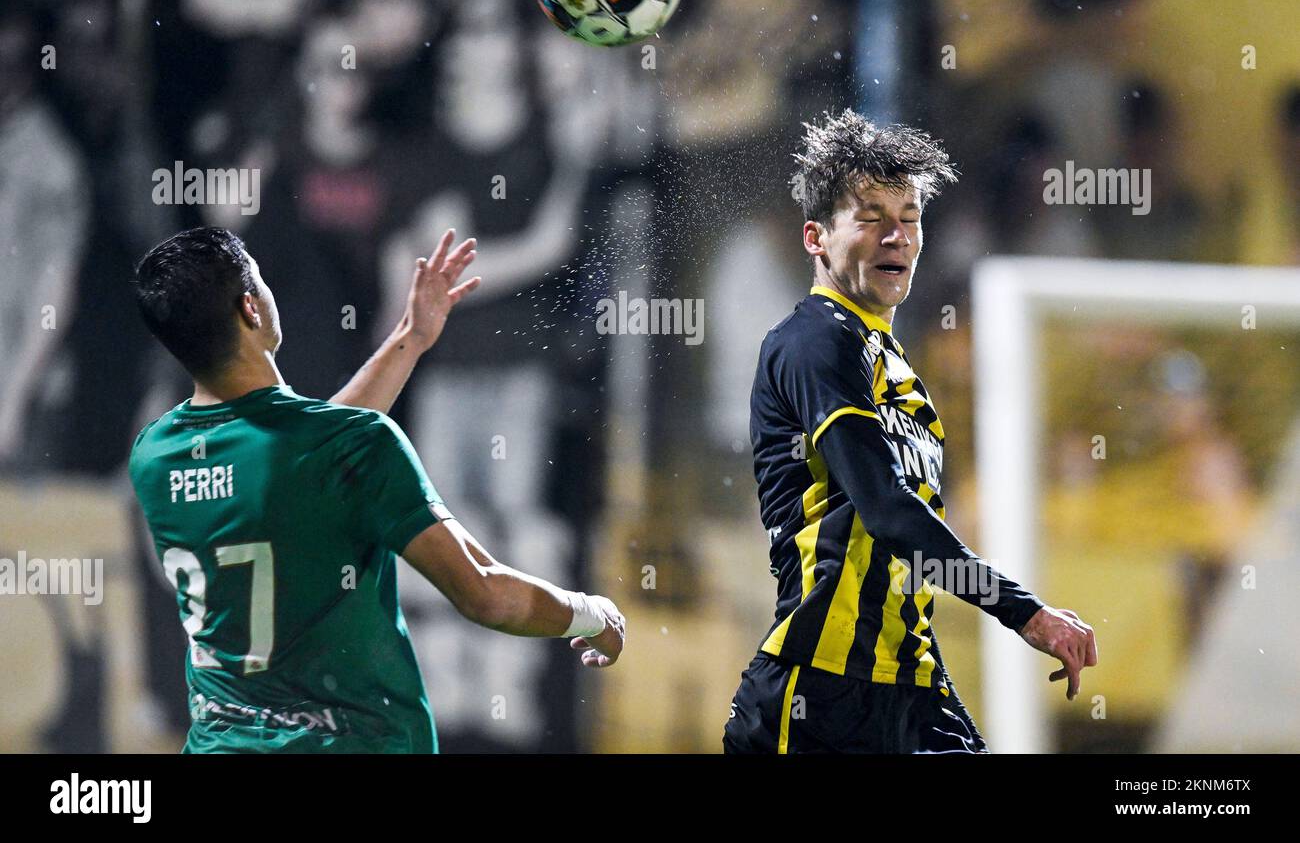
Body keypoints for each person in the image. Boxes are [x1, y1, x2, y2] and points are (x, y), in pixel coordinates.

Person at [128, 226, 625, 753]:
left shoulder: (155, 457)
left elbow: (304, 456)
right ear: (251, 308)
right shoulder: (351, 445)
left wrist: (410, 337)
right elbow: (485, 595)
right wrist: (591, 613)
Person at [724, 111, 1097, 754]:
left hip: (909, 688)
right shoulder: (814, 341)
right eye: (870, 217)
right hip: (820, 699)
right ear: (815, 237)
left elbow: (901, 556)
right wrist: (1024, 611)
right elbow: (887, 509)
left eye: (910, 215)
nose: (896, 235)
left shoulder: (892, 362)